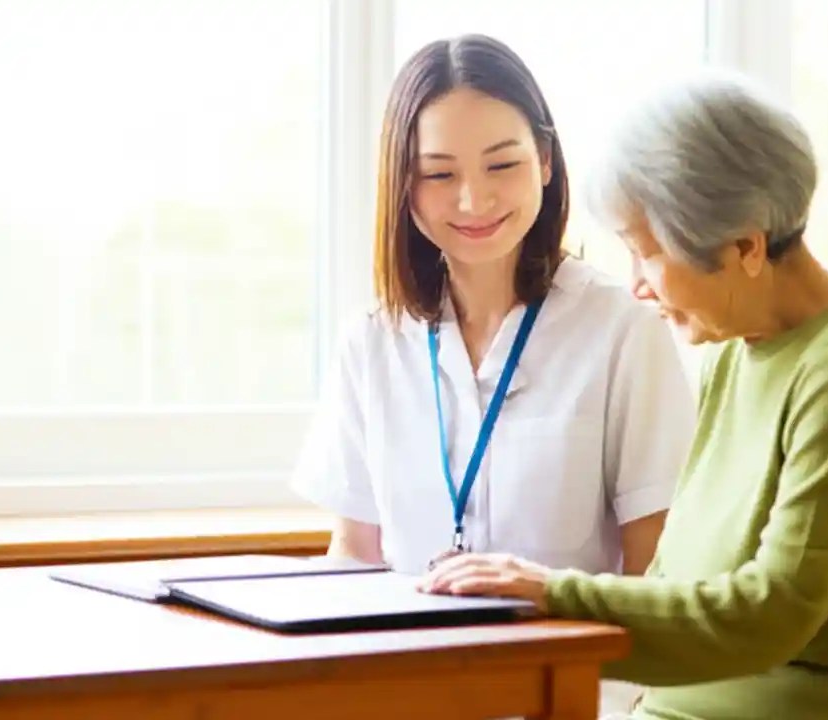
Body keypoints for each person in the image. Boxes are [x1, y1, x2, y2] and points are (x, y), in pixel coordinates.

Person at [420, 73, 828, 720]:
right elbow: (681, 580)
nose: (639, 288)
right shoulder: (733, 353)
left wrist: (551, 594)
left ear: (745, 247)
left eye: (646, 255)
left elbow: (769, 616)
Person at [290, 35, 692, 713]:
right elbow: (354, 553)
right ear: (403, 184)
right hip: (409, 696)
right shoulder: (372, 341)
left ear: (544, 161)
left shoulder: (624, 331)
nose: (474, 200)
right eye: (440, 173)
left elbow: (656, 571)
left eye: (501, 163)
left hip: (576, 698)